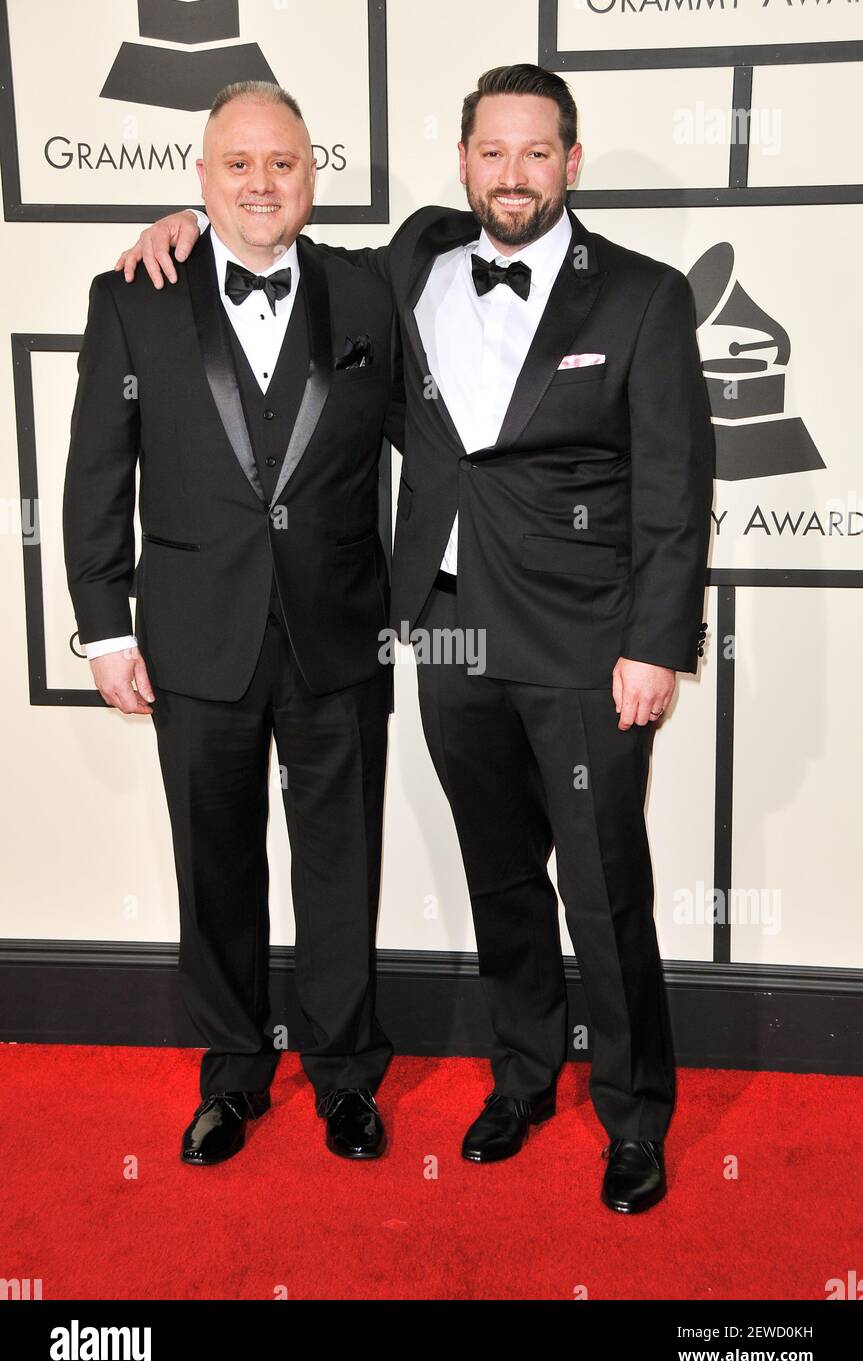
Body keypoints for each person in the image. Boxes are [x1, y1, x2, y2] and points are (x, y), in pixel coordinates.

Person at [115, 63, 714, 1213]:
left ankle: (633, 1117)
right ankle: (525, 1078)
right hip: (444, 629)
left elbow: (677, 487)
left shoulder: (641, 295)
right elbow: (264, 235)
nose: (512, 174)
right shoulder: (412, 267)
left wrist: (653, 640)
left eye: (536, 152)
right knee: (498, 877)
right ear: (461, 164)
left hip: (588, 639)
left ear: (571, 164)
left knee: (602, 885)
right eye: (491, 151)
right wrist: (189, 222)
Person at [64, 81, 404, 1167]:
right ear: (201, 177)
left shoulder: (367, 293)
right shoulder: (132, 296)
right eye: (238, 165)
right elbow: (93, 475)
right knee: (214, 868)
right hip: (191, 634)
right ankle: (232, 1076)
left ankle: (346, 1075)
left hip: (337, 634)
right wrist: (102, 627)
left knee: (340, 866)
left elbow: (459, 229)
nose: (261, 184)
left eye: (284, 164)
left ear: (315, 173)